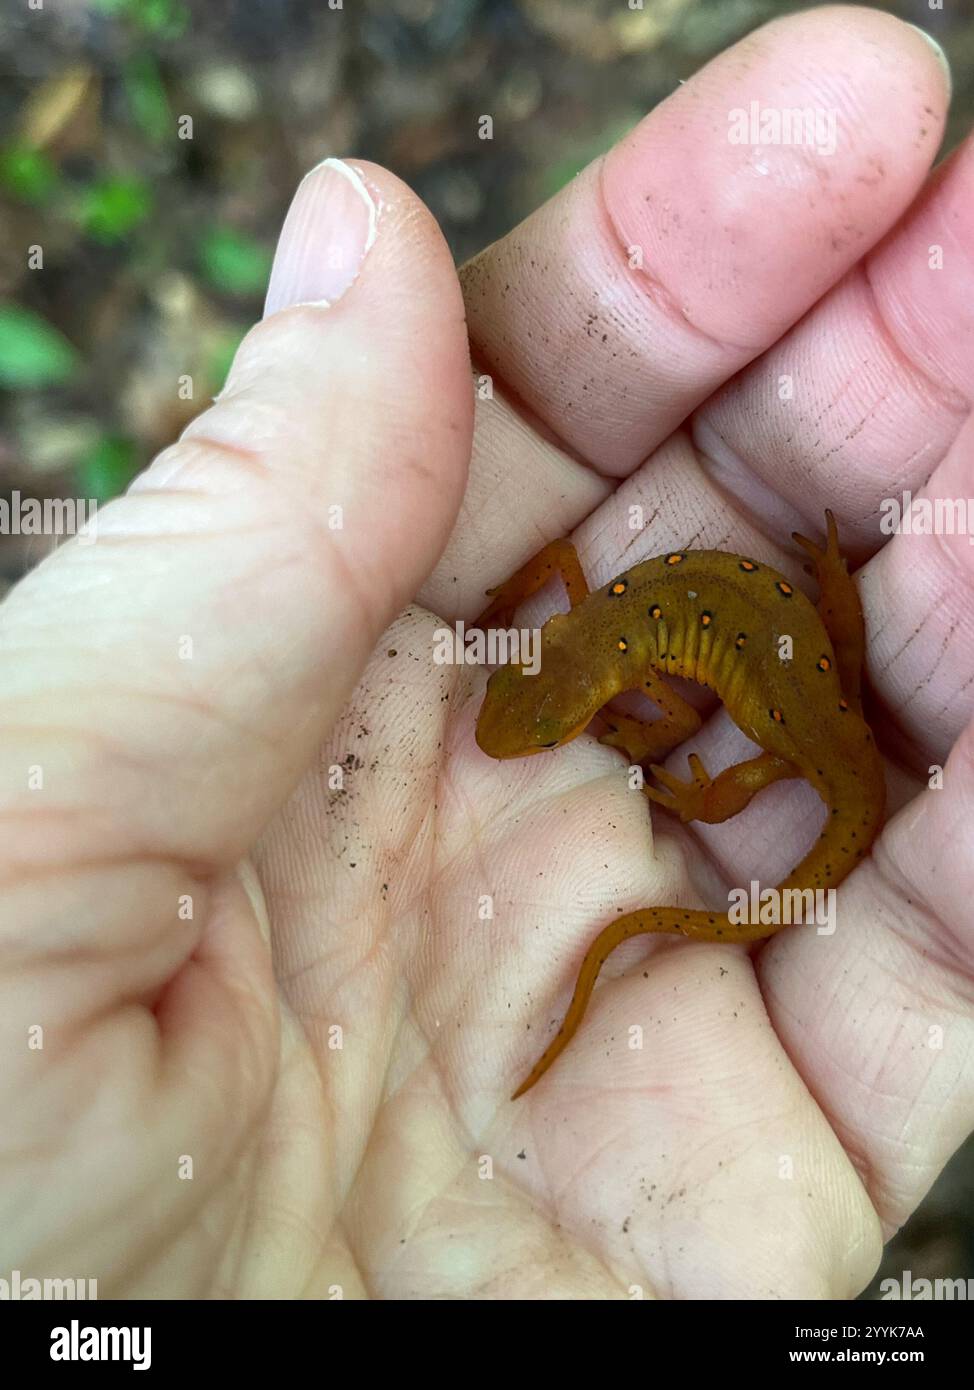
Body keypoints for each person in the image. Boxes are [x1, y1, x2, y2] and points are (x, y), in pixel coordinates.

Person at [2, 7, 970, 1298]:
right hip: (795, 688)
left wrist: (669, 772)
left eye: (553, 717)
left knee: (809, 706)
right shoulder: (583, 645)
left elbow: (639, 656)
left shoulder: (626, 676)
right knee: (811, 680)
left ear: (565, 692)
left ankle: (786, 690)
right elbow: (586, 599)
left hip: (810, 715)